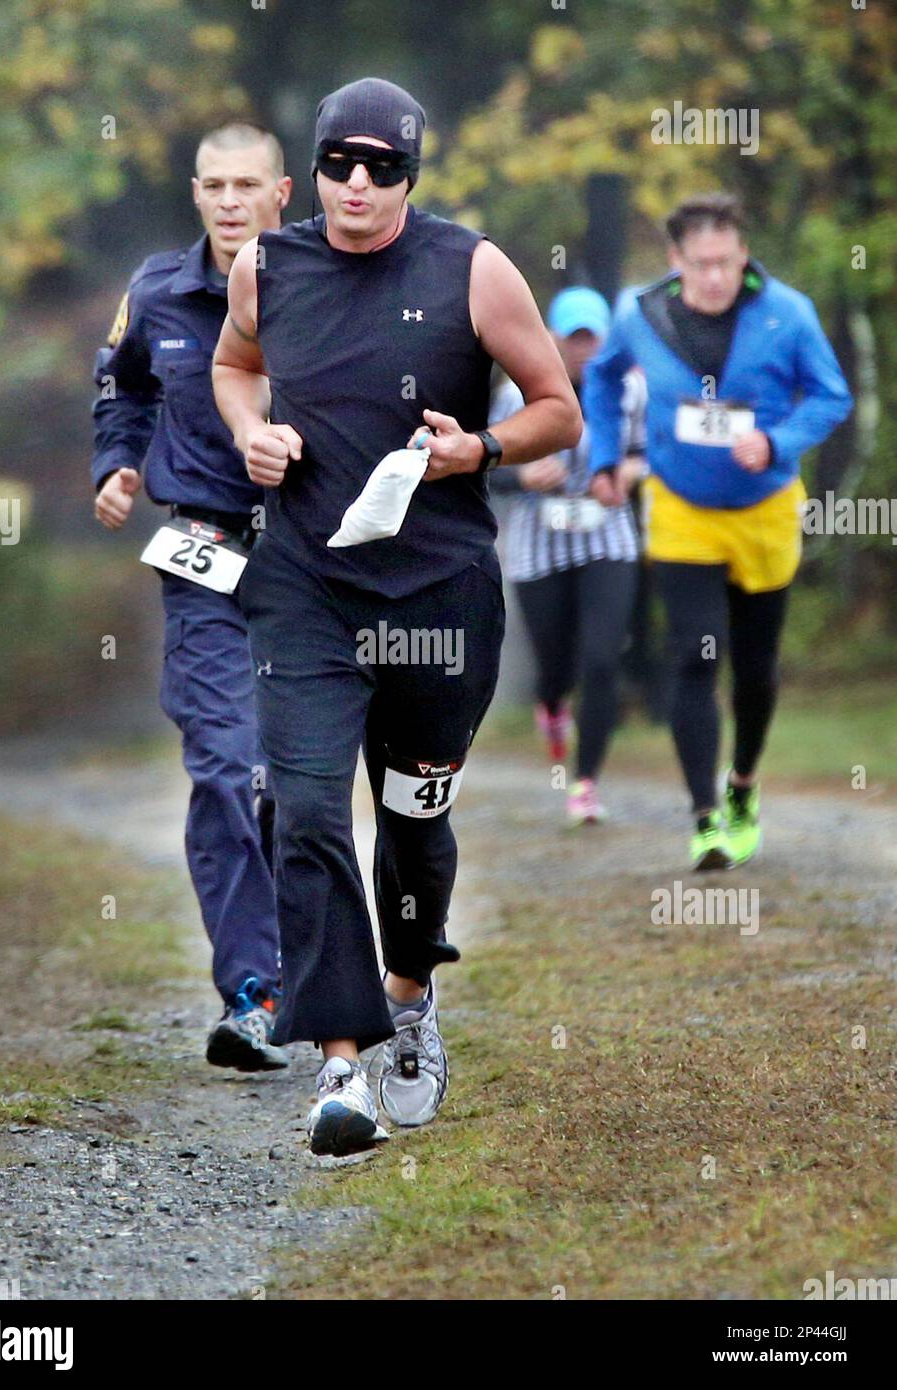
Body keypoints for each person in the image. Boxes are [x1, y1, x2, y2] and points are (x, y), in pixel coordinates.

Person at [213, 78, 581, 1156]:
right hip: (306, 587)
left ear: (412, 176)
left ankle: (409, 995)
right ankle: (339, 1068)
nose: (359, 184)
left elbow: (559, 408)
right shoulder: (265, 265)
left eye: (384, 167)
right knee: (312, 814)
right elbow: (238, 369)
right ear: (315, 167)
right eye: (340, 164)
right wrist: (251, 434)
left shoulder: (473, 267)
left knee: (415, 824)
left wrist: (483, 449)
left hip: (439, 595)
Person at [91, 123, 292, 1070]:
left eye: (246, 183)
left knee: (286, 780)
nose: (228, 201)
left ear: (282, 192)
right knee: (222, 767)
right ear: (195, 191)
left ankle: (319, 970)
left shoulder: (319, 289)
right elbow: (121, 389)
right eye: (213, 184)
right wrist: (119, 466)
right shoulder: (156, 291)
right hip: (202, 554)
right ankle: (251, 994)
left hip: (307, 564)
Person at [584, 193, 852, 870]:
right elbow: (602, 377)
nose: (713, 278)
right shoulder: (639, 314)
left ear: (741, 257)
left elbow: (831, 395)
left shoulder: (785, 313)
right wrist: (605, 457)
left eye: (725, 263)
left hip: (763, 509)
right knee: (694, 657)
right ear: (675, 260)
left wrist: (779, 440)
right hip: (681, 508)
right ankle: (704, 818)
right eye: (699, 264)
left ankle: (741, 787)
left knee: (755, 670)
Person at [488, 287, 645, 825]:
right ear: (551, 339)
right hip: (539, 539)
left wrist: (627, 472)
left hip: (607, 532)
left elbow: (647, 452)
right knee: (554, 662)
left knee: (601, 660)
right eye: (572, 338)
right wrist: (523, 474)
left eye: (592, 337)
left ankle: (586, 783)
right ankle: (552, 704)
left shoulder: (629, 389)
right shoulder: (516, 394)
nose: (583, 349)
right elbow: (484, 464)